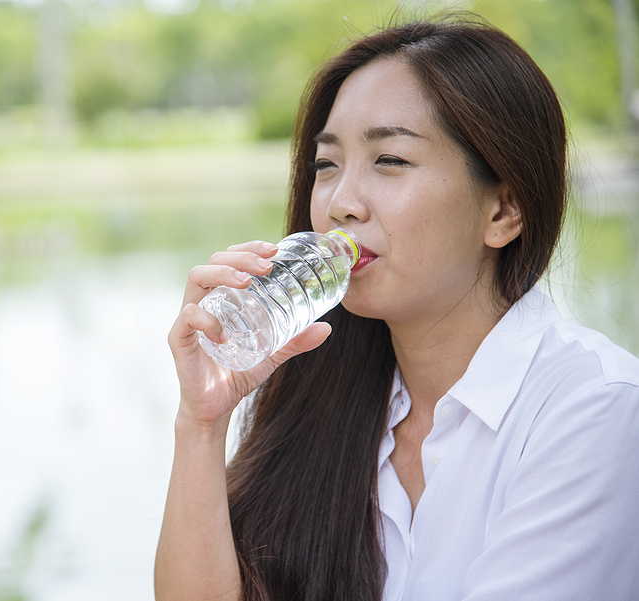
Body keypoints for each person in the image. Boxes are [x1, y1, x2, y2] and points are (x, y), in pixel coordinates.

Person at [154, 14, 639, 601]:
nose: (340, 203)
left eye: (391, 160)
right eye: (326, 165)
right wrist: (201, 426)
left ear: (503, 211)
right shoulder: (327, 400)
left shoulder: (596, 408)